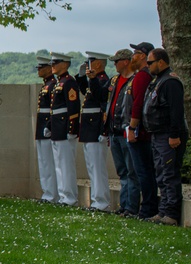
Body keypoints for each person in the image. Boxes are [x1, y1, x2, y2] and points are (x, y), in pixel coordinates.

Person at [142, 48, 188, 225]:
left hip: (168, 135)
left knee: (169, 173)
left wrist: (174, 135)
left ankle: (171, 213)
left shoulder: (170, 82)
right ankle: (163, 211)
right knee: (160, 173)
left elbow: (176, 111)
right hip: (158, 134)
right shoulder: (158, 81)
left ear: (161, 62)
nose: (148, 66)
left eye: (150, 62)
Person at [122, 41, 159, 220]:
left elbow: (138, 104)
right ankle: (147, 207)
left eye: (135, 53)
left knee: (143, 171)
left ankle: (148, 208)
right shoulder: (140, 76)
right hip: (140, 130)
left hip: (140, 132)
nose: (132, 56)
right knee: (143, 171)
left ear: (143, 56)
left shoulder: (143, 77)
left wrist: (133, 128)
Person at [75, 52, 112, 212]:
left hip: (96, 126)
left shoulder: (103, 80)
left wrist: (92, 79)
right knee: (92, 167)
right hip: (89, 128)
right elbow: (85, 90)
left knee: (97, 168)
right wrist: (82, 77)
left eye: (90, 63)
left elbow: (99, 96)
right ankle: (97, 200)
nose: (88, 66)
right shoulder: (94, 81)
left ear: (97, 64)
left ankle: (102, 202)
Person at [105, 49, 139, 217]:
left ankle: (132, 206)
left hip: (127, 131)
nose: (114, 64)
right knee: (122, 171)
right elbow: (99, 94)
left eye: (116, 61)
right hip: (114, 131)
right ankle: (124, 205)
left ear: (126, 61)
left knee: (131, 171)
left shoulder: (135, 80)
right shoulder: (115, 80)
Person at [49, 52, 80, 206]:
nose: (53, 65)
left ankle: (70, 197)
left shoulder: (69, 82)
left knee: (66, 165)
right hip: (57, 127)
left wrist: (71, 129)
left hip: (64, 128)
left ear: (65, 64)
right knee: (59, 165)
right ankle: (63, 196)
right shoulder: (58, 82)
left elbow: (73, 108)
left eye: (56, 62)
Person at [33, 53, 58, 203]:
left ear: (49, 69)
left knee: (49, 162)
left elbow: (53, 109)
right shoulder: (46, 85)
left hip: (47, 126)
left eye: (41, 68)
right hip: (41, 125)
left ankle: (52, 194)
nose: (39, 70)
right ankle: (47, 192)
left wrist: (49, 126)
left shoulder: (53, 85)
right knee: (43, 162)